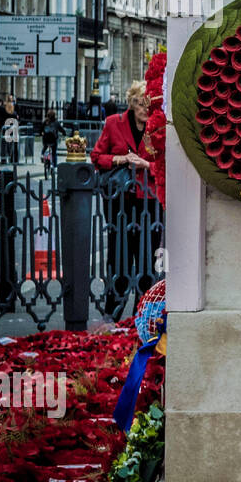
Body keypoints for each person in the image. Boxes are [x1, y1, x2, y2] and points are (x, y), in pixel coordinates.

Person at [91, 80, 160, 319]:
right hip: (119, 202)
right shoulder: (113, 124)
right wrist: (120, 159)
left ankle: (142, 315)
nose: (144, 109)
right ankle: (113, 313)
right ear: (131, 103)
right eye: (140, 104)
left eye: (148, 105)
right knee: (118, 258)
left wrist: (146, 164)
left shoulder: (158, 129)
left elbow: (165, 166)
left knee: (146, 260)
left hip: (149, 202)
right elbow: (96, 157)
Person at [41, 109, 69, 178]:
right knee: (54, 153)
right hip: (53, 141)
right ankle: (54, 166)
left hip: (46, 140)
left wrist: (41, 133)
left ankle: (42, 155)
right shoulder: (56, 123)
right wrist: (64, 133)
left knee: (45, 147)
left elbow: (40, 130)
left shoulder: (45, 122)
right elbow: (61, 129)